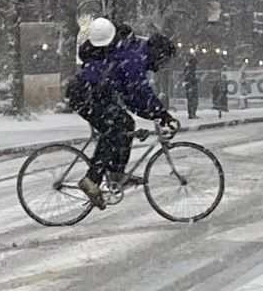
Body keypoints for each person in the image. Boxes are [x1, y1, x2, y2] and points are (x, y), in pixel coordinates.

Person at [65, 17, 180, 207]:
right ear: (158, 54)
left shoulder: (136, 52)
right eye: (165, 61)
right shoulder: (136, 58)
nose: (163, 66)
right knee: (112, 129)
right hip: (85, 93)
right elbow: (138, 93)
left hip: (96, 92)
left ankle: (117, 172)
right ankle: (91, 180)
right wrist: (161, 114)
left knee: (126, 123)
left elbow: (132, 98)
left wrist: (157, 113)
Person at [183, 51, 200, 120]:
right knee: (192, 100)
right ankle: (191, 113)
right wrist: (190, 85)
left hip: (191, 85)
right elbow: (188, 78)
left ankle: (192, 113)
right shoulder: (189, 70)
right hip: (191, 86)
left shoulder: (190, 70)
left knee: (193, 100)